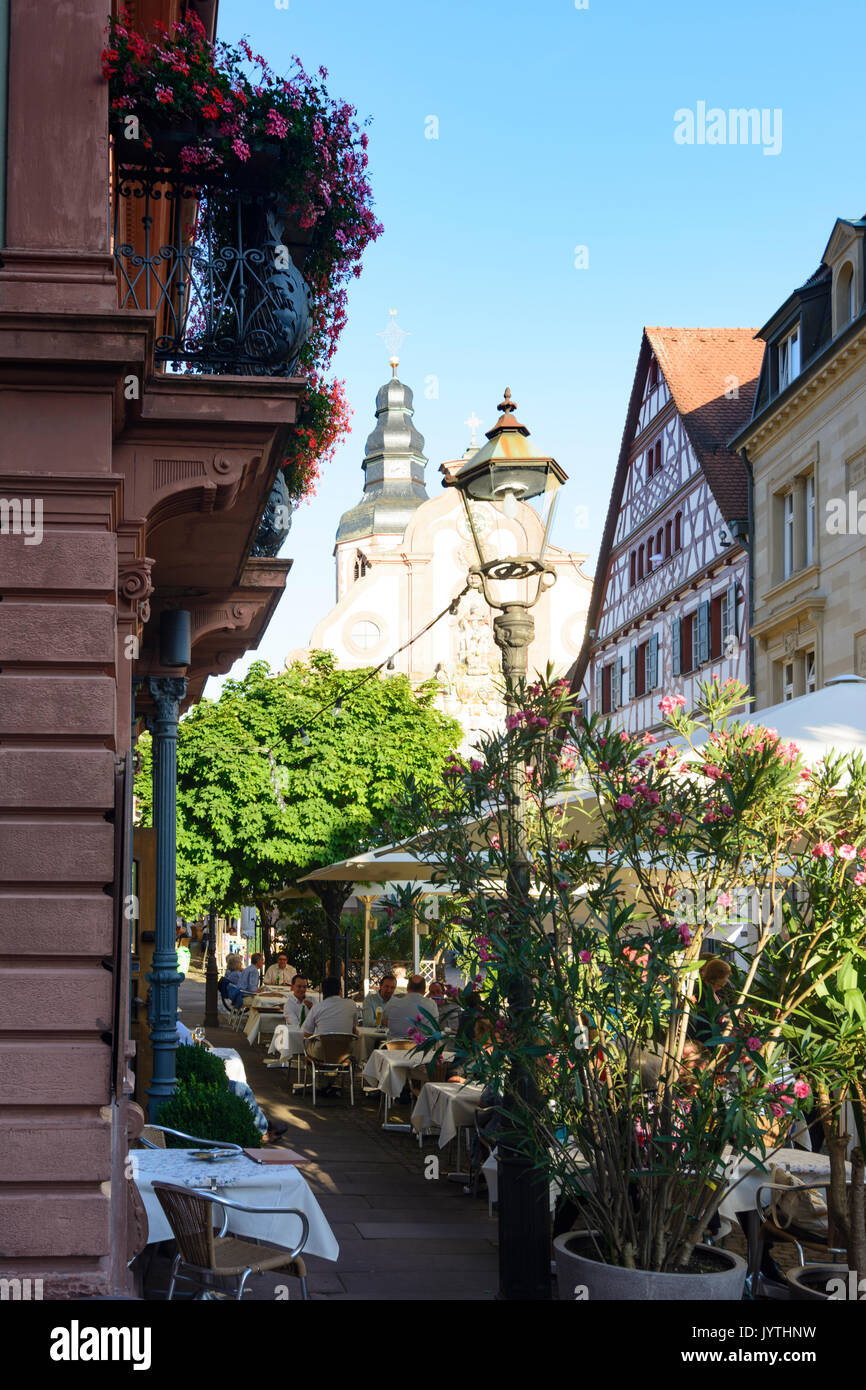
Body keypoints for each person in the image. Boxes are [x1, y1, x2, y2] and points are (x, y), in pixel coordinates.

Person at [301, 976, 358, 1061]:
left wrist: (320, 1034)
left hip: (321, 1053)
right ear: (340, 990)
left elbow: (306, 1033)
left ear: (323, 992)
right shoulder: (351, 1005)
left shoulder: (317, 1007)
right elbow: (354, 1029)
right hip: (345, 1054)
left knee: (310, 1043)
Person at [383, 974, 439, 1039]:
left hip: (395, 1047)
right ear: (424, 990)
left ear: (407, 988)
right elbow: (435, 1026)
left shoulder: (393, 1003)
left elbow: (384, 1020)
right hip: (423, 1047)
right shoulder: (432, 1004)